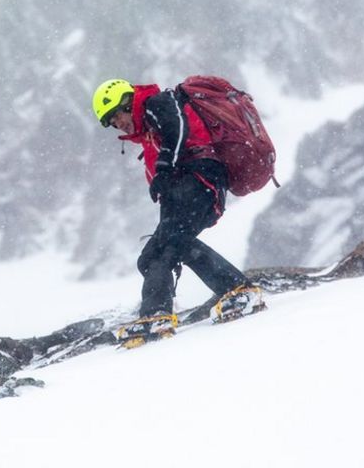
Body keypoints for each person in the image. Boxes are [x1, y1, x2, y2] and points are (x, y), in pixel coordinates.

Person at [92, 78, 262, 332]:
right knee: (151, 256)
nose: (117, 125)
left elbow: (177, 127)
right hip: (184, 189)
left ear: (126, 102)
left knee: (171, 242)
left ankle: (162, 313)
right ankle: (164, 312)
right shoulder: (149, 130)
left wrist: (163, 168)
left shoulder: (157, 103)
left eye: (116, 116)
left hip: (201, 178)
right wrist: (164, 182)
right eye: (111, 123)